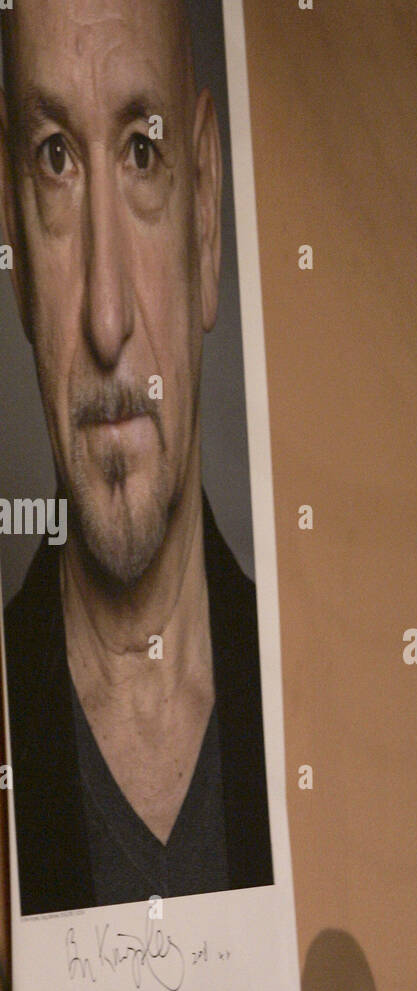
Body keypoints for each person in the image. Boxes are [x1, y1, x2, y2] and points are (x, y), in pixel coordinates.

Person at [0, 0, 272, 914]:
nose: (106, 320)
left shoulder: (312, 705)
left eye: (142, 152)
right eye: (55, 159)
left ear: (204, 206)